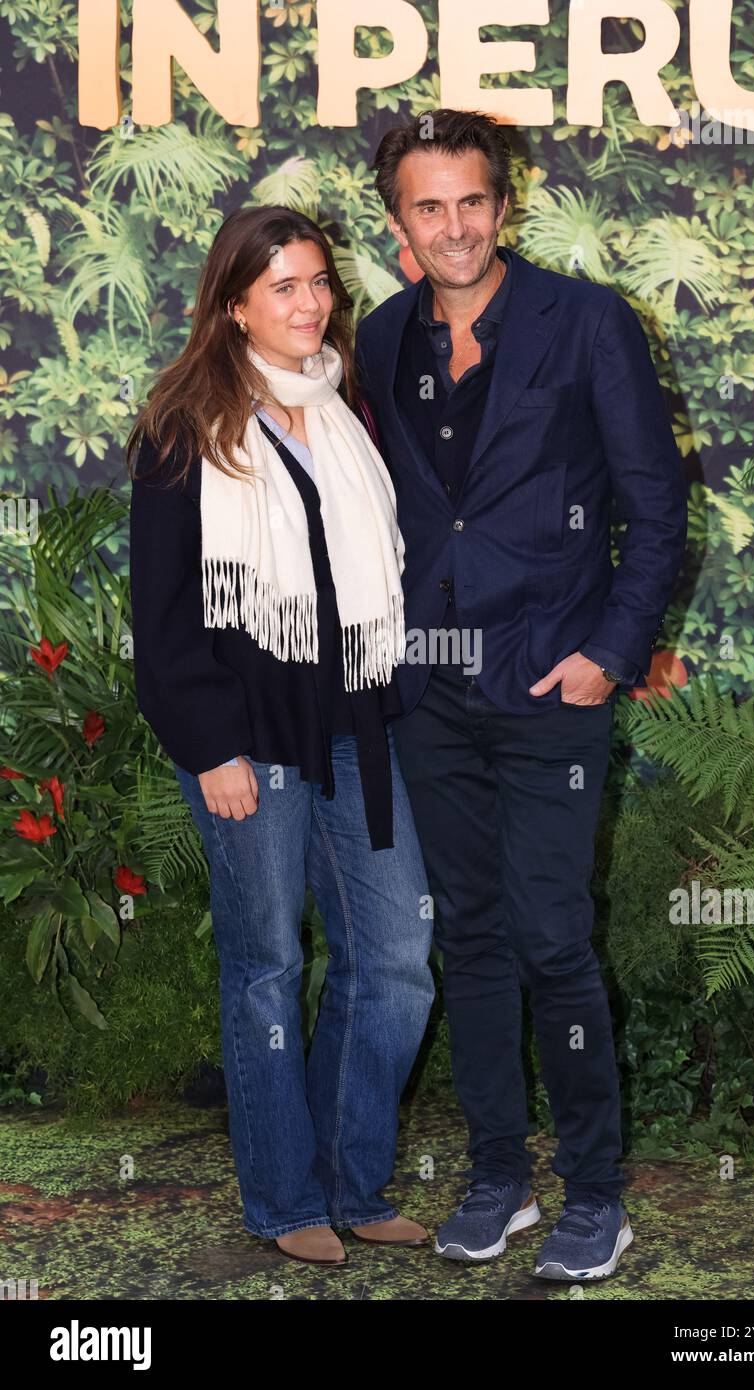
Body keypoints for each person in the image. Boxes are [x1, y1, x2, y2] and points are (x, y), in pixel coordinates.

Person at [356, 110, 688, 1280]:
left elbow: (656, 506)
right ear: (396, 222)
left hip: (552, 679)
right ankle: (499, 1175)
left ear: (505, 204)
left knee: (554, 939)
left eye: (471, 201)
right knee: (476, 942)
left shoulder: (588, 322)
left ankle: (595, 1191)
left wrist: (608, 649)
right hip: (429, 689)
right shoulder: (383, 336)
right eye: (427, 207)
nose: (454, 227)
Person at [126, 205, 435, 1267]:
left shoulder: (339, 407)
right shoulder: (186, 425)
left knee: (395, 960)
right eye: (283, 288)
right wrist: (210, 748)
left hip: (354, 717)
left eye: (317, 283)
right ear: (232, 306)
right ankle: (284, 1198)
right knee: (263, 968)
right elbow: (161, 617)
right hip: (247, 736)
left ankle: (354, 1182)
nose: (309, 305)